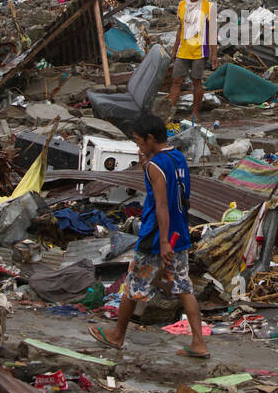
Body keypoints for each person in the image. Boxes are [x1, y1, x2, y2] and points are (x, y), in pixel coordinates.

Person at [88, 114, 209, 358]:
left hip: (157, 236)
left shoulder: (156, 166)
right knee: (184, 287)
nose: (136, 145)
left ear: (150, 138)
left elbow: (161, 204)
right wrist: (145, 161)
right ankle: (199, 343)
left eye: (138, 140)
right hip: (179, 232)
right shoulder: (177, 158)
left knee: (132, 286)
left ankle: (117, 336)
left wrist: (163, 242)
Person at [164, 0, 214, 123]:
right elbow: (180, 28)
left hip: (199, 50)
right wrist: (174, 50)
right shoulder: (182, 5)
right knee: (176, 81)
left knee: (196, 81)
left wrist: (214, 53)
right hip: (183, 49)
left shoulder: (208, 6)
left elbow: (212, 31)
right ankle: (170, 113)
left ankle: (195, 113)